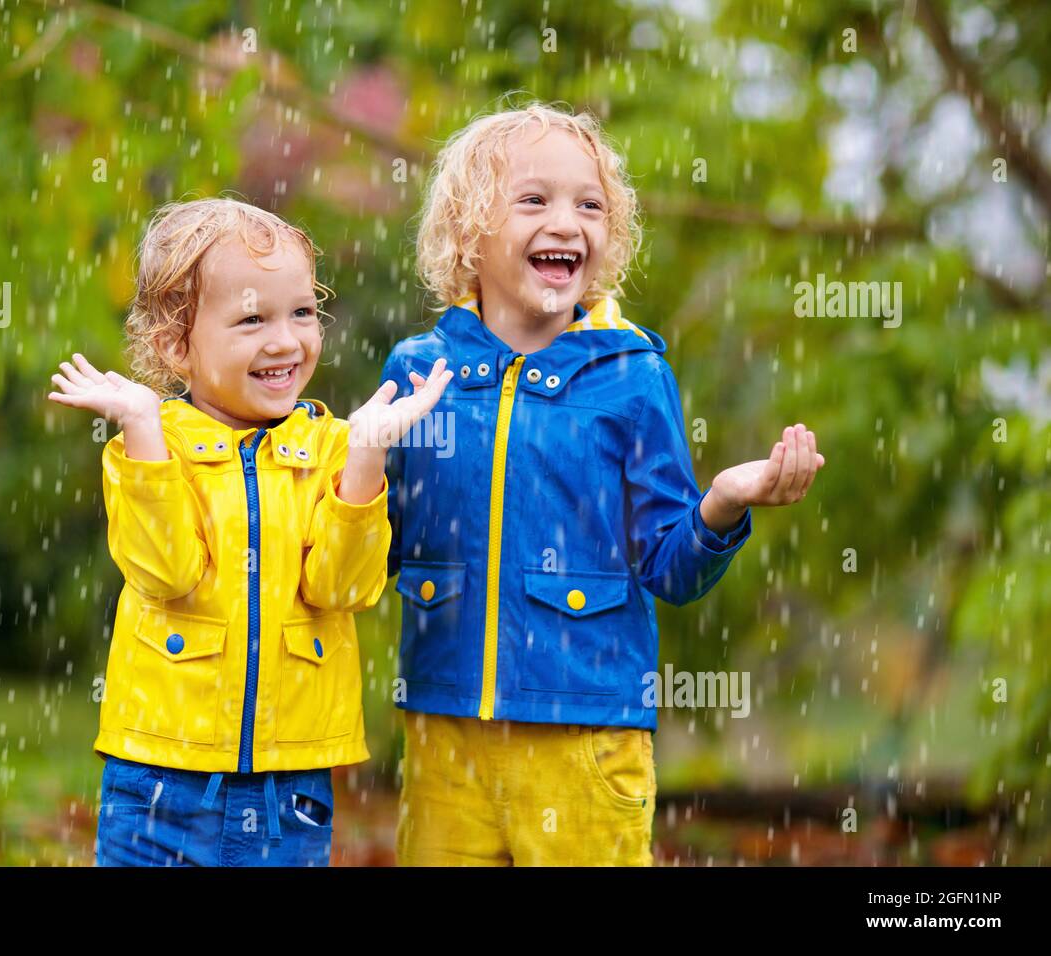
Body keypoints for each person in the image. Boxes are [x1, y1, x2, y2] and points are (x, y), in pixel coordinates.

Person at [379, 102, 826, 865]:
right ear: (466, 230)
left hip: (588, 738)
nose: (567, 223)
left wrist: (720, 504)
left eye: (590, 205)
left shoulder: (633, 376)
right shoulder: (419, 372)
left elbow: (671, 568)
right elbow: (368, 544)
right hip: (443, 734)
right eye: (533, 200)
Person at [48, 197, 452, 865]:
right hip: (157, 778)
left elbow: (344, 587)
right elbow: (165, 570)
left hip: (287, 787)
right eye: (252, 319)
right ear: (177, 345)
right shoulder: (154, 443)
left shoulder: (333, 446)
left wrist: (368, 456)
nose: (285, 340)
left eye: (301, 312)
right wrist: (142, 431)